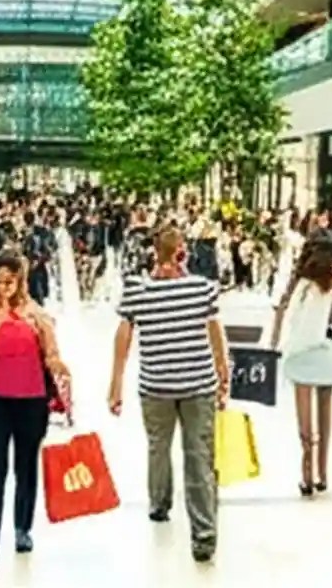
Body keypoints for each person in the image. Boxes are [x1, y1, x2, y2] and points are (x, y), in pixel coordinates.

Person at [107, 227, 228, 563]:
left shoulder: (136, 289)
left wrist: (115, 383)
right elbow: (215, 329)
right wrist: (223, 369)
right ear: (182, 254)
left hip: (155, 385)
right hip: (198, 386)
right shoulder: (202, 288)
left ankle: (159, 504)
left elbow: (123, 336)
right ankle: (204, 535)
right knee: (199, 456)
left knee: (158, 447)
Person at [0, 252, 70, 582]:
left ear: (21, 279)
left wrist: (60, 368)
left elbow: (52, 354)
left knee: (26, 467)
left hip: (31, 401)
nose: (5, 287)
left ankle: (23, 526)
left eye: (10, 280)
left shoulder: (36, 315)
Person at [269, 239, 332, 497]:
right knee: (325, 414)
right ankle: (323, 472)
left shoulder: (303, 287)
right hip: (329, 354)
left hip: (300, 354)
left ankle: (307, 470)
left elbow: (289, 316)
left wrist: (276, 346)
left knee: (305, 420)